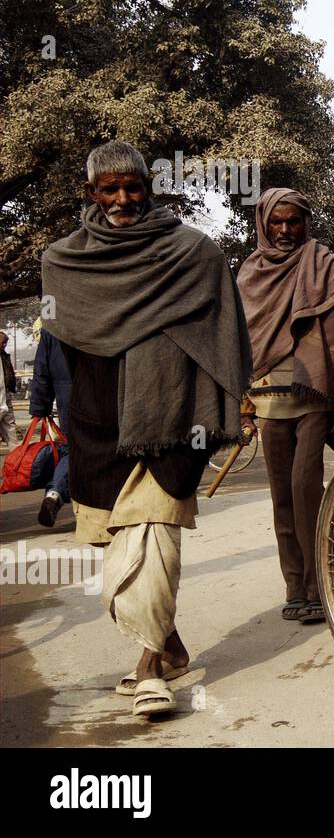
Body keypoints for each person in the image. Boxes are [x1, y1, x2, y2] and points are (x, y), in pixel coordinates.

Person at [41, 139, 252, 717]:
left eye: (132, 186)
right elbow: (62, 346)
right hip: (96, 423)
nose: (122, 198)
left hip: (171, 419)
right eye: (109, 188)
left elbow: (222, 333)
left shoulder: (192, 254)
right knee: (119, 550)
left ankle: (148, 671)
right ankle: (172, 645)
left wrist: (229, 403)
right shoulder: (63, 262)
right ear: (91, 193)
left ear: (148, 187)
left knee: (154, 543)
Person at [237, 188, 334, 625]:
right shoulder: (248, 275)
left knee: (304, 485)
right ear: (262, 223)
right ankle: (294, 586)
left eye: (292, 221)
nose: (284, 230)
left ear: (305, 223)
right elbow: (243, 342)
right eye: (276, 222)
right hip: (268, 397)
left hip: (314, 394)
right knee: (281, 494)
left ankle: (321, 584)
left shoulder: (326, 264)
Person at [29, 324, 73, 526]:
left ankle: (55, 493)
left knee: (71, 451)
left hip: (69, 401)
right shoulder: (98, 310)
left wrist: (40, 407)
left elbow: (42, 372)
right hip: (104, 397)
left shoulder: (52, 327)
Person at [0, 331, 16, 445]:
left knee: (10, 424)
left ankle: (16, 456)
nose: (4, 345)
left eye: (5, 343)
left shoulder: (4, 356)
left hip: (5, 392)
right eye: (2, 342)